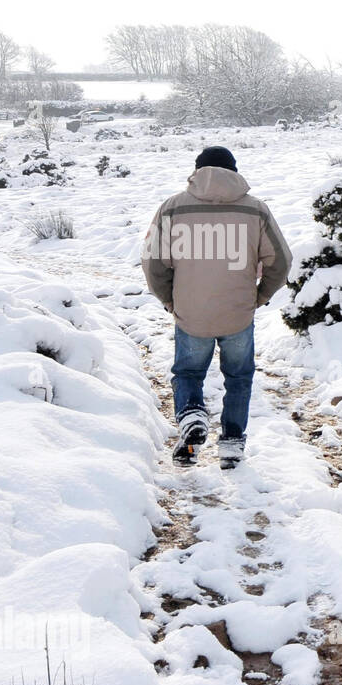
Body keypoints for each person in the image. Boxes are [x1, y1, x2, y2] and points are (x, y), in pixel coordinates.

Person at [141, 146, 291, 468]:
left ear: (197, 171)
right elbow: (281, 261)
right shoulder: (256, 210)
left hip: (190, 315)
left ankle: (192, 415)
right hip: (238, 313)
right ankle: (232, 444)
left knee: (188, 373)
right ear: (234, 171)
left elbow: (153, 264)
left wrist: (170, 300)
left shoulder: (172, 209)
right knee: (238, 377)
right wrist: (260, 296)